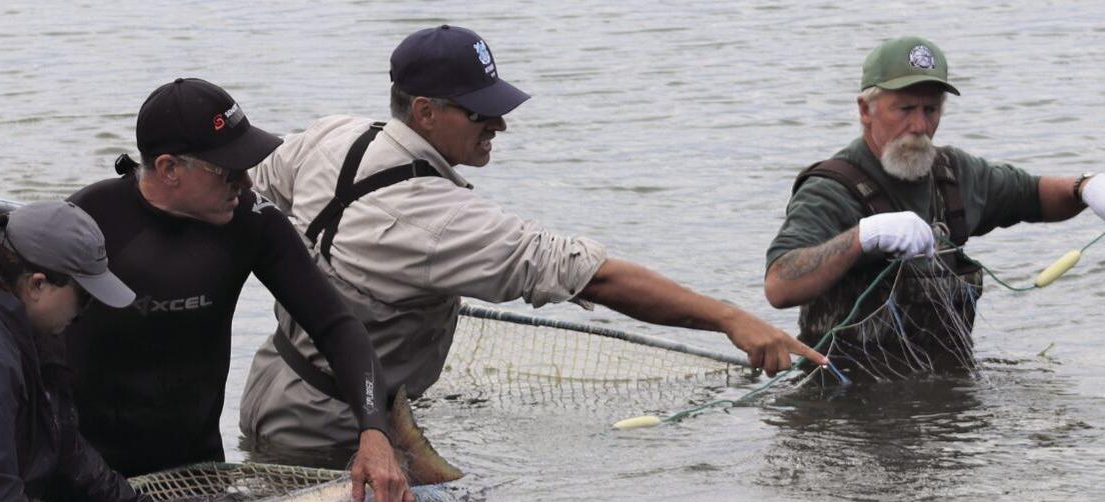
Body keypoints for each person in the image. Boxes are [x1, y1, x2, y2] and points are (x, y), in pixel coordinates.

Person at [239, 24, 826, 454]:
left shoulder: (333, 136)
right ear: (424, 112)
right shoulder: (442, 222)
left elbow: (245, 190)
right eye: (480, 113)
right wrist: (729, 318)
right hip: (330, 425)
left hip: (273, 382)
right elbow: (595, 277)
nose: (499, 125)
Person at [64, 78, 411, 502]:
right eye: (228, 169)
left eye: (247, 165)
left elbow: (338, 327)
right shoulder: (91, 219)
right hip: (83, 471)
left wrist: (374, 431)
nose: (245, 181)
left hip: (195, 475)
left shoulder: (253, 222)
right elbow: (22, 344)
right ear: (169, 168)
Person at [764, 36, 1105, 374]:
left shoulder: (954, 174)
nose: (920, 126)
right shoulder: (831, 189)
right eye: (906, 109)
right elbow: (779, 285)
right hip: (849, 395)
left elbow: (1033, 195)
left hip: (945, 388)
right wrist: (863, 237)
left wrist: (1084, 187)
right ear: (865, 110)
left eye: (931, 109)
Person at [0, 201, 152, 502]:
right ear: (36, 284)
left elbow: (60, 441)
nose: (84, 312)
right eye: (84, 297)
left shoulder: (28, 328)